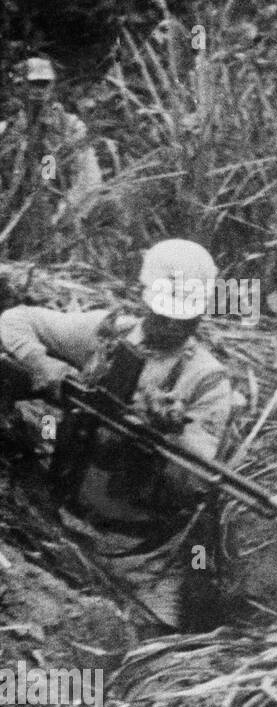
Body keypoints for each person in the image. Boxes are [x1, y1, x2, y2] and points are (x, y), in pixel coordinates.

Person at [0, 239, 235, 631]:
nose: (174, 324)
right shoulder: (107, 334)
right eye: (164, 314)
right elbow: (13, 321)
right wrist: (46, 367)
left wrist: (168, 432)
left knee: (152, 646)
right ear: (145, 299)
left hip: (137, 555)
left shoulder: (207, 380)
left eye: (185, 318)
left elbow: (194, 478)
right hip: (57, 513)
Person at [0, 57, 104, 258]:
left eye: (44, 83)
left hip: (57, 222)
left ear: (52, 86)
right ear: (18, 86)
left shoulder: (70, 128)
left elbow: (89, 180)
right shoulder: (6, 131)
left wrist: (64, 216)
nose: (38, 90)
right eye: (33, 83)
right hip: (12, 225)